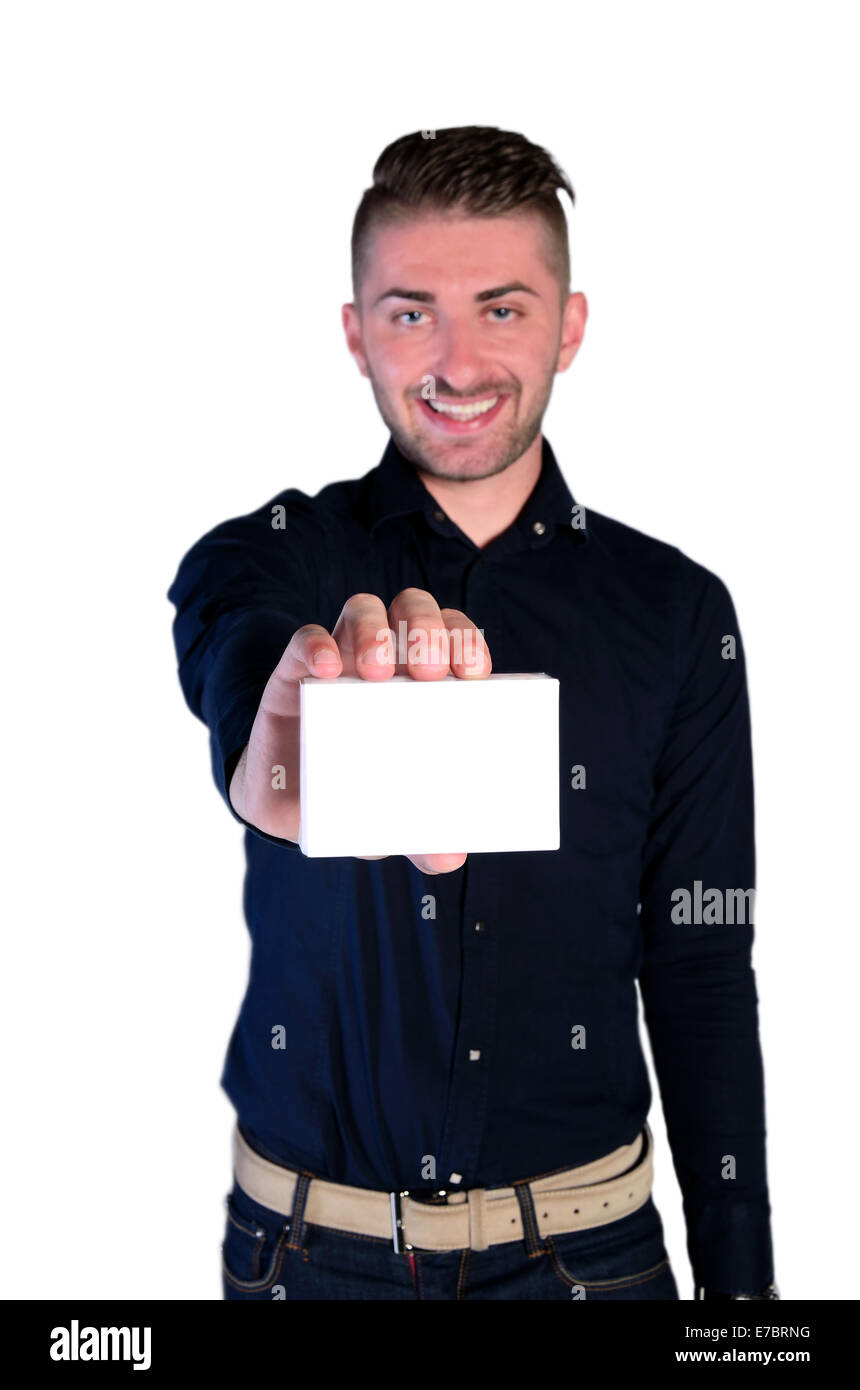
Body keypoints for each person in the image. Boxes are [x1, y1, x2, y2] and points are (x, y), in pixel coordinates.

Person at [168, 126, 777, 1301]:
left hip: (591, 1266)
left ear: (569, 324)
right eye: (408, 313)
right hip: (306, 1260)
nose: (454, 360)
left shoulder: (675, 612)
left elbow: (700, 964)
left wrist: (744, 1301)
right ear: (354, 333)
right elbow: (231, 629)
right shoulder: (275, 558)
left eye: (500, 309)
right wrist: (272, 747)